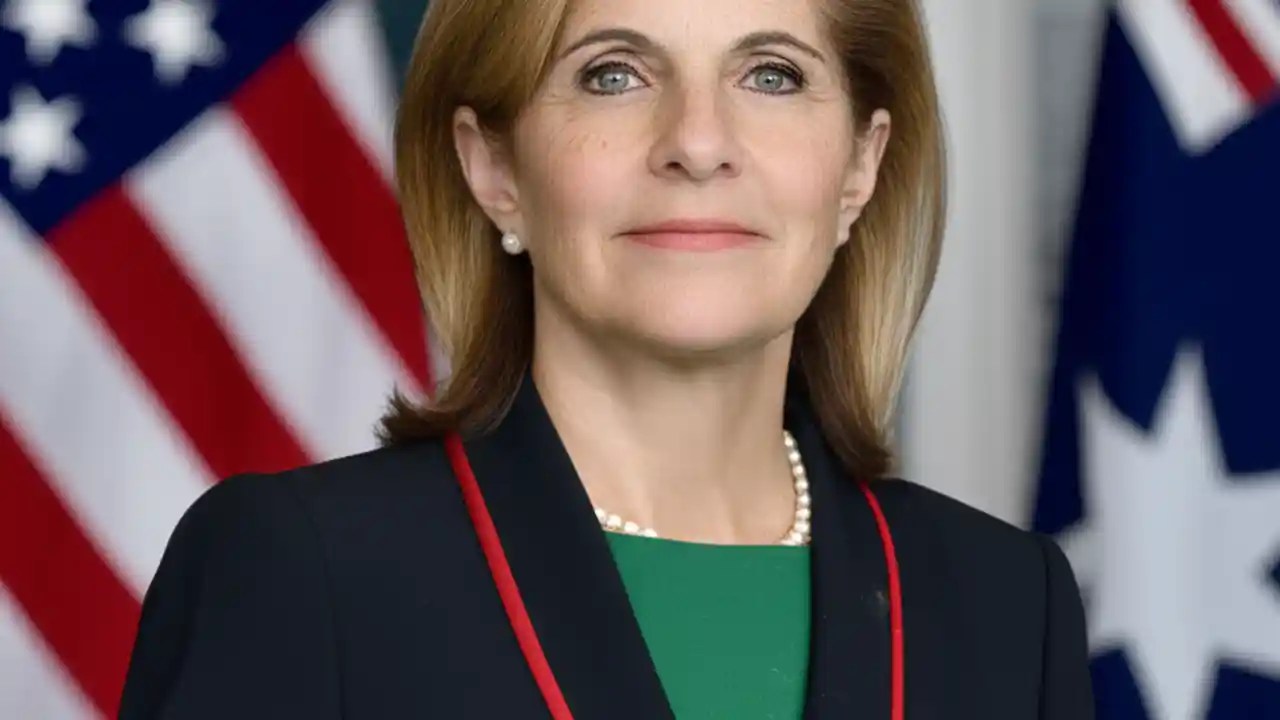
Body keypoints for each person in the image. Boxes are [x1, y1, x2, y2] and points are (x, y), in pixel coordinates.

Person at [117, 0, 1094, 717]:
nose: (698, 144)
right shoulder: (304, 571)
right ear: (493, 167)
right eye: (613, 73)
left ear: (858, 167)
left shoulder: (1006, 604)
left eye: (770, 74)